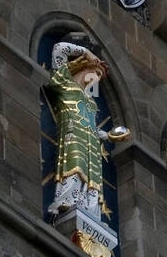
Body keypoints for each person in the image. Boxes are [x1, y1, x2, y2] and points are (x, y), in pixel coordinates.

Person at [45, 38, 118, 221]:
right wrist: (84, 51)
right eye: (95, 73)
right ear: (83, 68)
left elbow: (92, 128)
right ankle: (67, 201)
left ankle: (90, 212)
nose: (95, 80)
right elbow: (58, 48)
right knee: (74, 165)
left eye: (99, 78)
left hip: (91, 143)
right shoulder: (66, 84)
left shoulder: (91, 102)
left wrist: (108, 136)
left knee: (93, 179)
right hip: (73, 136)